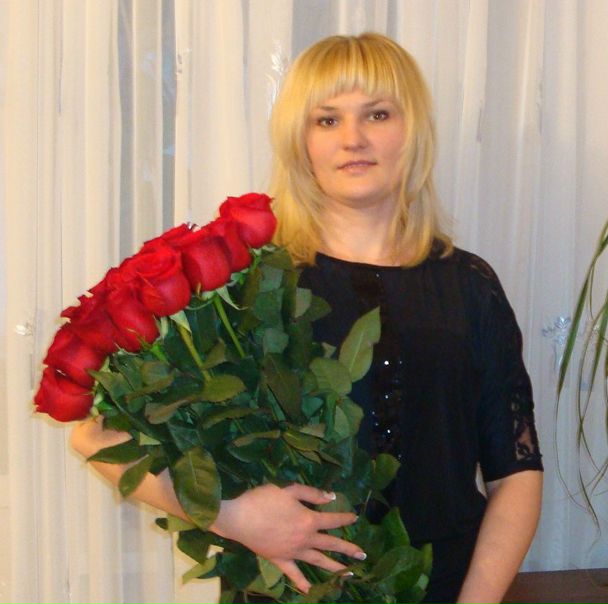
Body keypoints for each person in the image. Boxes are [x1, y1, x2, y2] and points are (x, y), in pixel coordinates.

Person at [71, 32, 543, 604]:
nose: (353, 138)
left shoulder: (469, 285)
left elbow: (515, 470)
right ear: (301, 141)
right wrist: (230, 514)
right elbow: (95, 435)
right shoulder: (244, 286)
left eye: (377, 114)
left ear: (412, 130)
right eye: (327, 120)